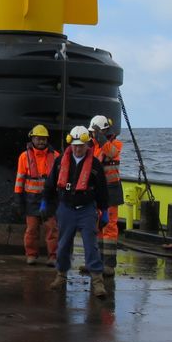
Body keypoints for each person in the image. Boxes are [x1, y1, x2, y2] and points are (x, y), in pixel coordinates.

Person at [42, 125, 110, 298]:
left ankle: (97, 282)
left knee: (91, 246)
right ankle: (61, 276)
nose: (78, 149)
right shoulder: (60, 162)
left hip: (86, 210)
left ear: (87, 145)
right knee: (63, 244)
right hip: (66, 208)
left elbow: (102, 190)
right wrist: (45, 202)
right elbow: (50, 184)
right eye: (75, 146)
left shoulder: (95, 165)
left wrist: (104, 210)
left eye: (81, 146)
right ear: (70, 145)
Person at [14, 124, 59, 265]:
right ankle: (31, 255)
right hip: (31, 199)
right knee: (32, 229)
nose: (41, 141)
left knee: (52, 229)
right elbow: (20, 179)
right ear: (32, 139)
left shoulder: (56, 156)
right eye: (38, 138)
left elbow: (60, 179)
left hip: (50, 199)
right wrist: (18, 198)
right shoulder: (24, 157)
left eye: (43, 139)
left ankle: (53, 257)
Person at [90, 115, 124, 276]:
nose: (92, 135)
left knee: (109, 227)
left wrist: (101, 138)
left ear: (102, 131)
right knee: (97, 226)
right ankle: (96, 263)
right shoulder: (93, 147)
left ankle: (109, 265)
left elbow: (111, 152)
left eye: (94, 132)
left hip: (111, 190)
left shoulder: (114, 144)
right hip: (97, 191)